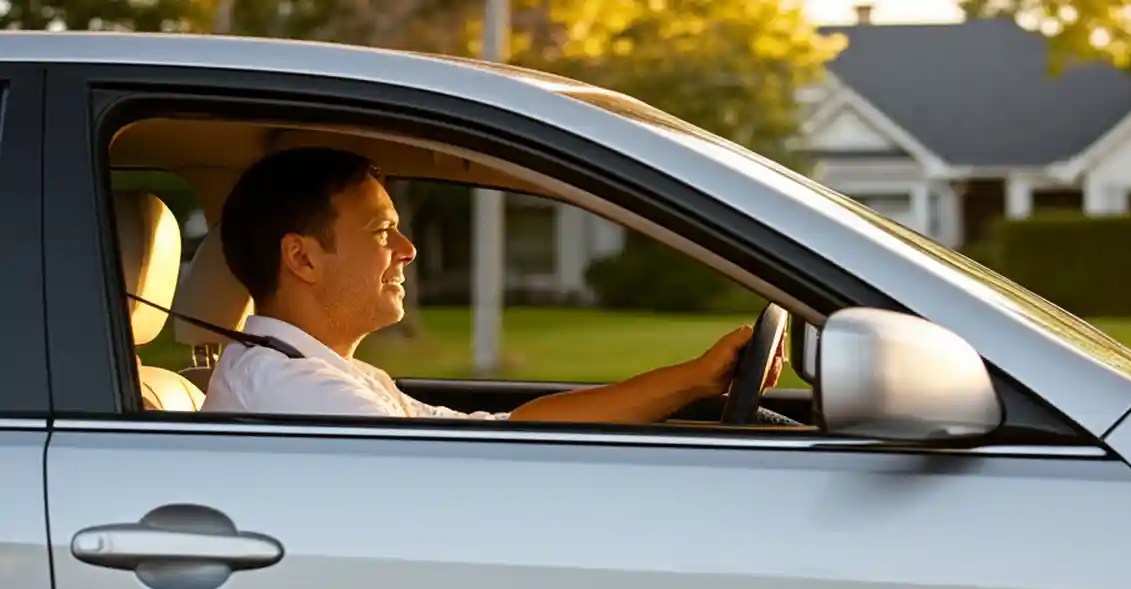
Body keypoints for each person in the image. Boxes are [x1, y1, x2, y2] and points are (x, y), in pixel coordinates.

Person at [201, 147, 783, 423]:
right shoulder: (295, 391)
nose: (407, 249)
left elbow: (505, 436)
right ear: (302, 258)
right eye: (382, 232)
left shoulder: (328, 377)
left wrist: (694, 379)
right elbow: (477, 475)